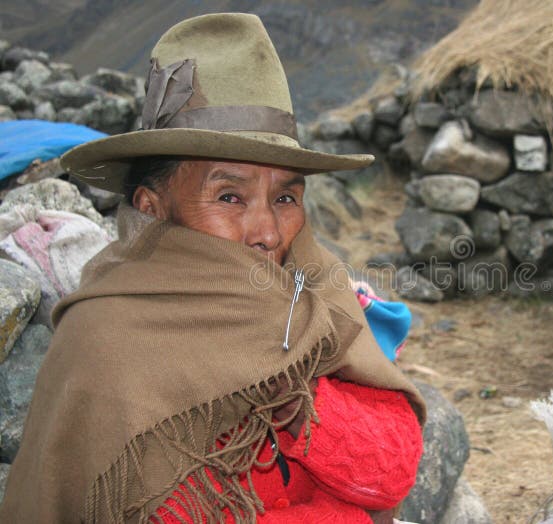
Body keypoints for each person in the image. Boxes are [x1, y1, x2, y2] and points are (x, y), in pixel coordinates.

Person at [0, 13, 425, 524]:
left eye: (285, 197)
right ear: (153, 208)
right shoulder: (106, 344)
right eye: (229, 196)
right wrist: (348, 516)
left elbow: (392, 471)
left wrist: (294, 396)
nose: (268, 232)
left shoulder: (312, 297)